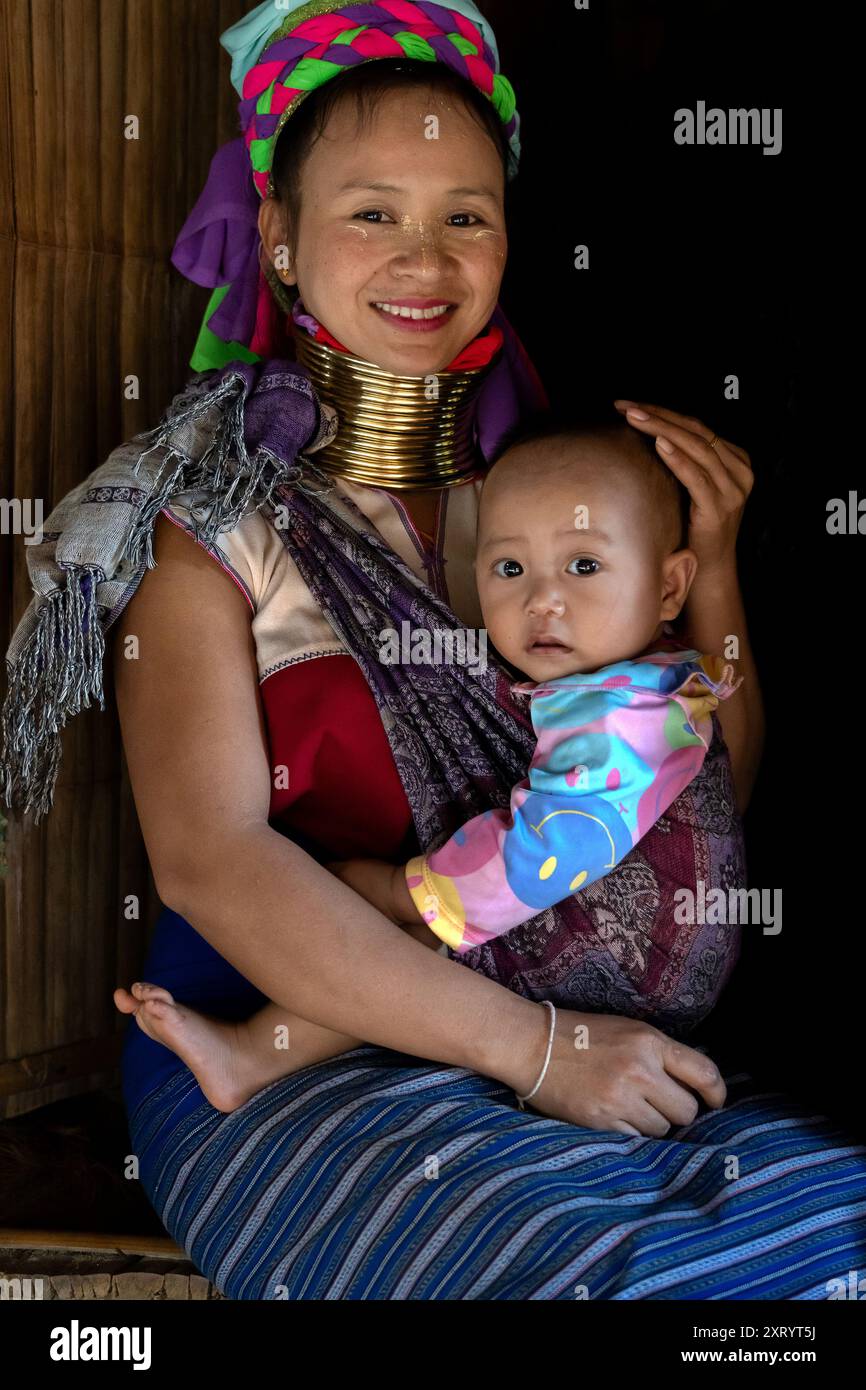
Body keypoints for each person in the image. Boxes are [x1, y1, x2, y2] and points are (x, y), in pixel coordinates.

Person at [3, 0, 863, 1300]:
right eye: (372, 211)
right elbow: (213, 866)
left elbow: (698, 791)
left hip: (561, 988)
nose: (426, 257)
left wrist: (715, 563)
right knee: (579, 1268)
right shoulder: (208, 529)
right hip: (278, 1041)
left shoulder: (554, 495)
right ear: (279, 237)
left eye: (465, 214)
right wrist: (538, 1052)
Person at [118, 416, 748, 1114]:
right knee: (428, 934)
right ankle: (250, 1056)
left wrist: (398, 889)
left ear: (670, 587)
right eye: (510, 570)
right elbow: (205, 858)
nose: (543, 601)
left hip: (628, 959)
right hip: (583, 955)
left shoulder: (619, 714)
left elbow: (549, 850)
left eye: (584, 566)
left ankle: (251, 1055)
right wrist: (528, 1046)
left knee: (434, 926)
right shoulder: (647, 678)